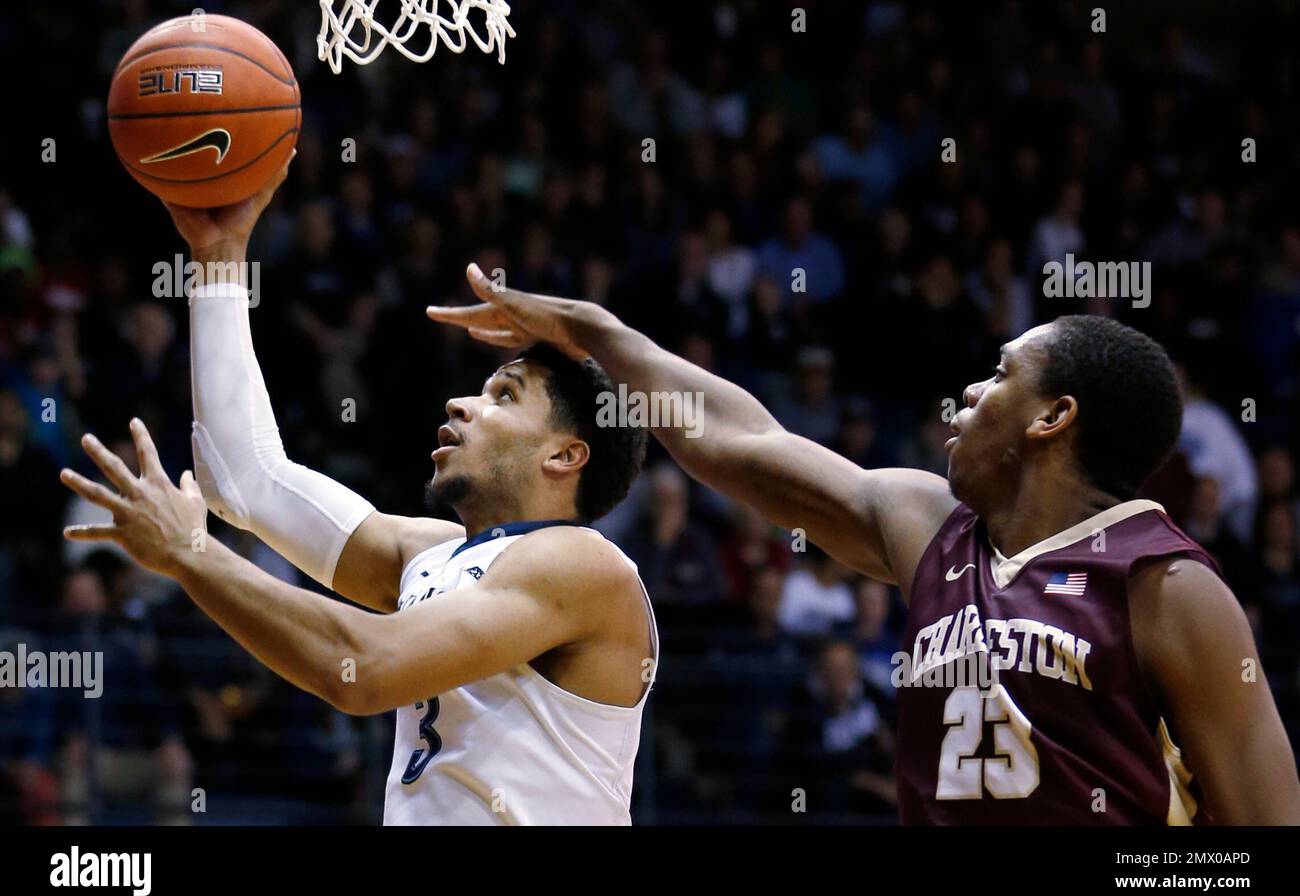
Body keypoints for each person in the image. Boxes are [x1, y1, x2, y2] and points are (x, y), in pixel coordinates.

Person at [428, 268, 1300, 825]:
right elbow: (734, 440)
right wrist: (594, 331)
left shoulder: (1168, 586)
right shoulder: (929, 531)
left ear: (1053, 417)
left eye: (999, 374)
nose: (966, 391)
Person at [57, 163, 656, 826]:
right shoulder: (428, 555)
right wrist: (218, 261)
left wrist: (191, 555)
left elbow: (363, 668)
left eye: (503, 396)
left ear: (565, 454)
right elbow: (244, 479)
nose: (460, 403)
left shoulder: (585, 565)